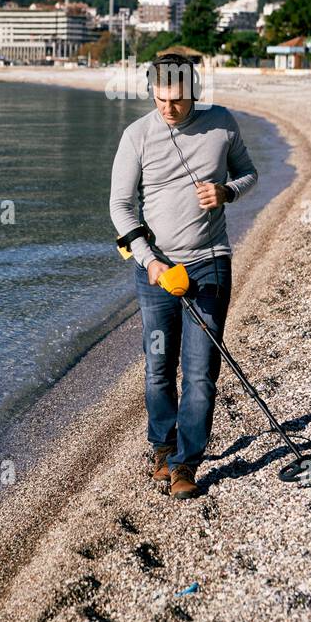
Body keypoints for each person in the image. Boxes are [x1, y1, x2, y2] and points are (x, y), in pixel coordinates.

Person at [109, 54, 258, 498]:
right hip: (156, 272)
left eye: (176, 99)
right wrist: (147, 260)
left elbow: (249, 173)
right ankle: (162, 444)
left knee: (200, 372)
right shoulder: (137, 135)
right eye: (160, 98)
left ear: (194, 90)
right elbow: (120, 207)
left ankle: (185, 463)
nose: (168, 108)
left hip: (210, 263)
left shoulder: (222, 124)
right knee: (158, 367)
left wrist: (227, 191)